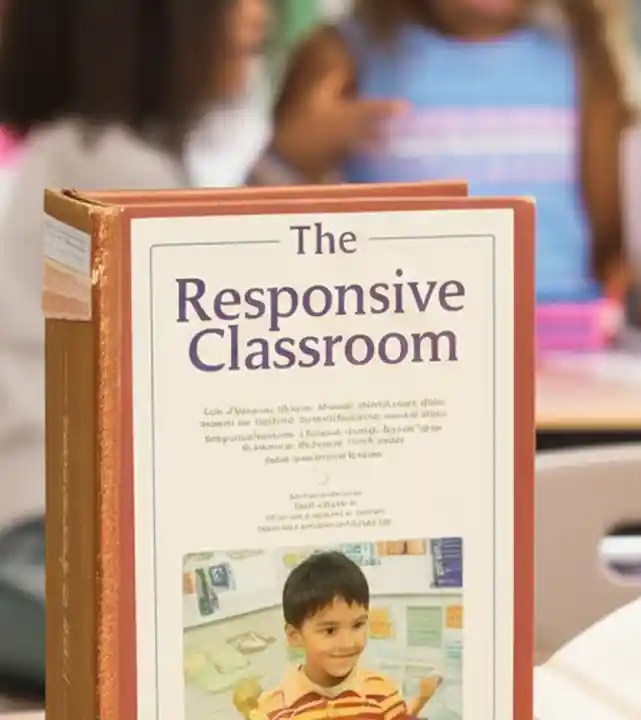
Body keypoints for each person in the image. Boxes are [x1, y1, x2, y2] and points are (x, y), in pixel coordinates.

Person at [0, 0, 397, 535]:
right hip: (57, 525)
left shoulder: (92, 153)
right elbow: (231, 318)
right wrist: (283, 165)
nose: (258, 14)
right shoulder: (106, 169)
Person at [270, 0, 631, 303]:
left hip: (556, 324)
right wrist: (296, 152)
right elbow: (275, 221)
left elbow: (608, 236)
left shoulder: (580, 60)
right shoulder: (339, 54)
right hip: (400, 333)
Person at [251, 551, 441, 720]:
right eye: (330, 630)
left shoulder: (381, 692)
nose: (348, 643)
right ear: (294, 635)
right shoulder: (272, 709)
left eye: (358, 625)